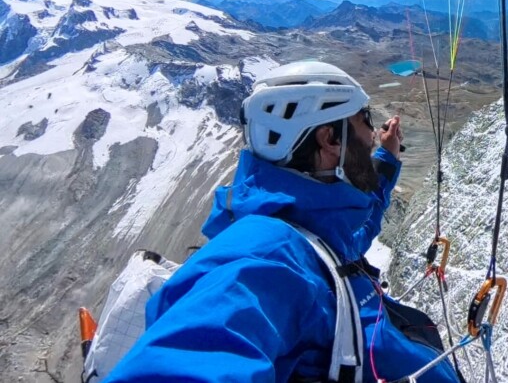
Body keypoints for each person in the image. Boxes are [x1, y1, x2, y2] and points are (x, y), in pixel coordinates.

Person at [105, 60, 461, 383]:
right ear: (331, 138)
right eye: (364, 119)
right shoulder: (263, 252)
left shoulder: (309, 230)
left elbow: (351, 235)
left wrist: (385, 160)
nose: (371, 134)